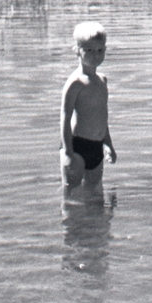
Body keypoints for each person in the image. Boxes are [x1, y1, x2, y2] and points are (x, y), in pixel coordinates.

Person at [60, 20, 117, 189]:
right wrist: (68, 152)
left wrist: (109, 144)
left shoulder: (102, 81)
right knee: (71, 194)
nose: (95, 55)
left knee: (95, 193)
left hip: (96, 146)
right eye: (89, 50)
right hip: (76, 146)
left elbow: (102, 116)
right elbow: (65, 118)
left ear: (105, 50)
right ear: (77, 51)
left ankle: (98, 216)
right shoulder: (75, 83)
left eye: (99, 50)